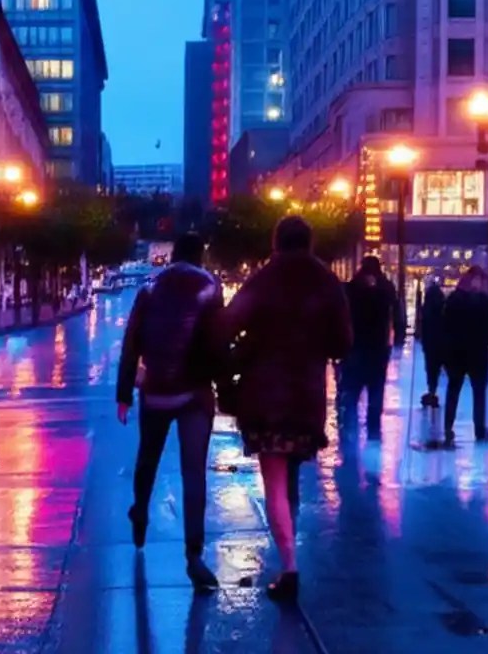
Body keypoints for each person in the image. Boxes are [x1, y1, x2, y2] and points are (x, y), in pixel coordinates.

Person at [218, 216, 353, 603]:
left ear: (276, 242)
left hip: (265, 397)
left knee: (275, 483)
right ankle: (288, 549)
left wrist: (243, 356)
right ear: (310, 242)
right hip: (305, 397)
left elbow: (225, 327)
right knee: (290, 476)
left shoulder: (264, 278)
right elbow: (342, 344)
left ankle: (289, 566)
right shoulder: (326, 281)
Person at [115, 232, 223, 591]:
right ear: (201, 254)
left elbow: (132, 341)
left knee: (148, 457)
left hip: (156, 390)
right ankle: (194, 554)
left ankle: (140, 511)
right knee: (194, 473)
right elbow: (215, 342)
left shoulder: (150, 288)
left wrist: (124, 394)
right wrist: (227, 388)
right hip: (195, 392)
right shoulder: (210, 286)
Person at [340, 256, 399, 439]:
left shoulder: (351, 289)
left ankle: (349, 430)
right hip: (377, 348)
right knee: (375, 392)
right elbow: (396, 313)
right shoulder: (385, 289)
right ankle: (373, 431)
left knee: (351, 393)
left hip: (354, 348)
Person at [440, 267, 488, 445]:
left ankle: (448, 426)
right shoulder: (485, 301)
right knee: (479, 393)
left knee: (454, 390)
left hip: (457, 353)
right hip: (478, 353)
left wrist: (444, 355)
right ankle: (479, 430)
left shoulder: (454, 299)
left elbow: (445, 327)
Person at [418, 280, 447, 408]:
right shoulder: (444, 308)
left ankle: (432, 390)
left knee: (431, 370)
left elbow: (423, 328)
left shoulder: (427, 309)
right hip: (442, 342)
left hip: (430, 344)